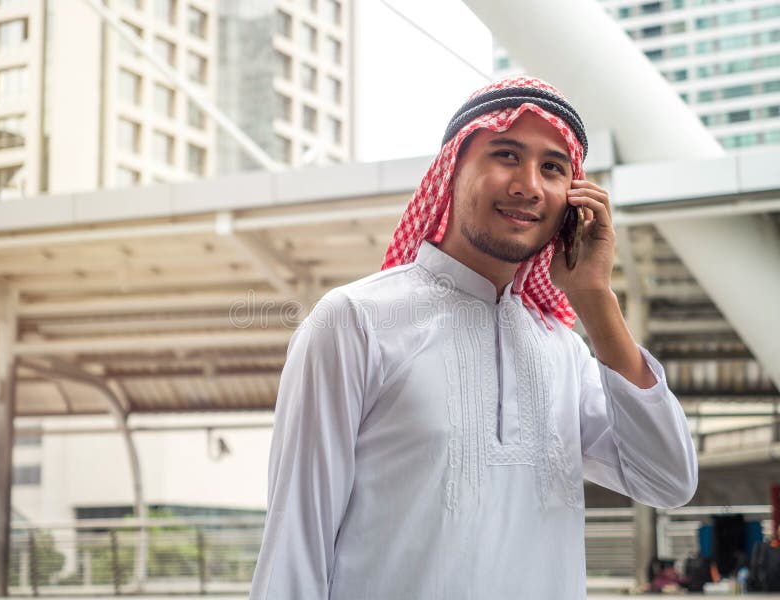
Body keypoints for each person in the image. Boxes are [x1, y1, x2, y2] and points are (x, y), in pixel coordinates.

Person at [248, 77, 698, 599]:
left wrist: (594, 298)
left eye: (553, 167)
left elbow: (667, 480)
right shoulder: (354, 321)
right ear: (450, 172)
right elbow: (295, 544)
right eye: (506, 155)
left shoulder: (563, 351)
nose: (528, 185)